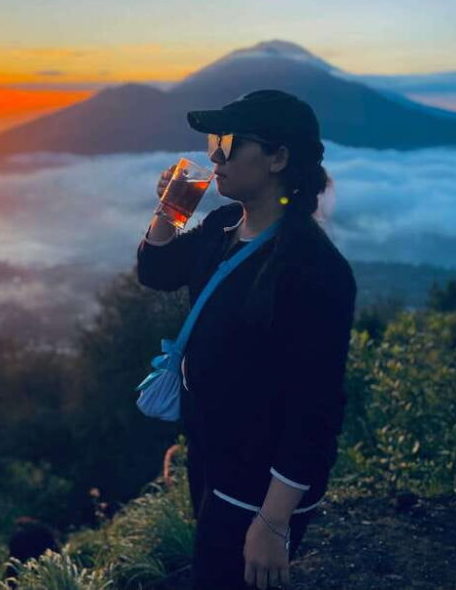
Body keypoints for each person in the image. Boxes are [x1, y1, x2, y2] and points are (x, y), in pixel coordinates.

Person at [136, 89, 357, 590]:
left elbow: (315, 411)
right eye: (216, 140)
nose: (215, 155)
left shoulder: (313, 270)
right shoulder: (221, 226)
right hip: (214, 453)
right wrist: (171, 209)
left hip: (257, 483)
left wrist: (274, 522)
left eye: (230, 142)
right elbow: (157, 270)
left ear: (278, 157)